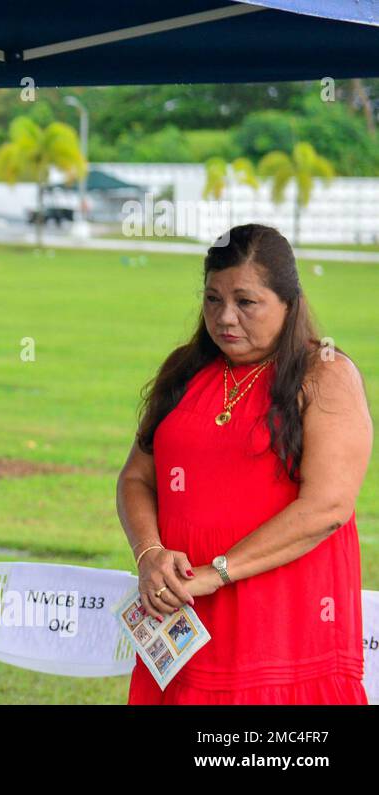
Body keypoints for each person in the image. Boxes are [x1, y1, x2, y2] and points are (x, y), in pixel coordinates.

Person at [117, 224, 371, 704]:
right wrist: (149, 552)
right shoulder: (185, 369)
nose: (225, 317)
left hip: (280, 627)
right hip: (183, 617)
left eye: (246, 302)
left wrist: (217, 572)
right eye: (212, 299)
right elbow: (135, 478)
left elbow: (328, 506)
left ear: (288, 303)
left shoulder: (326, 374)